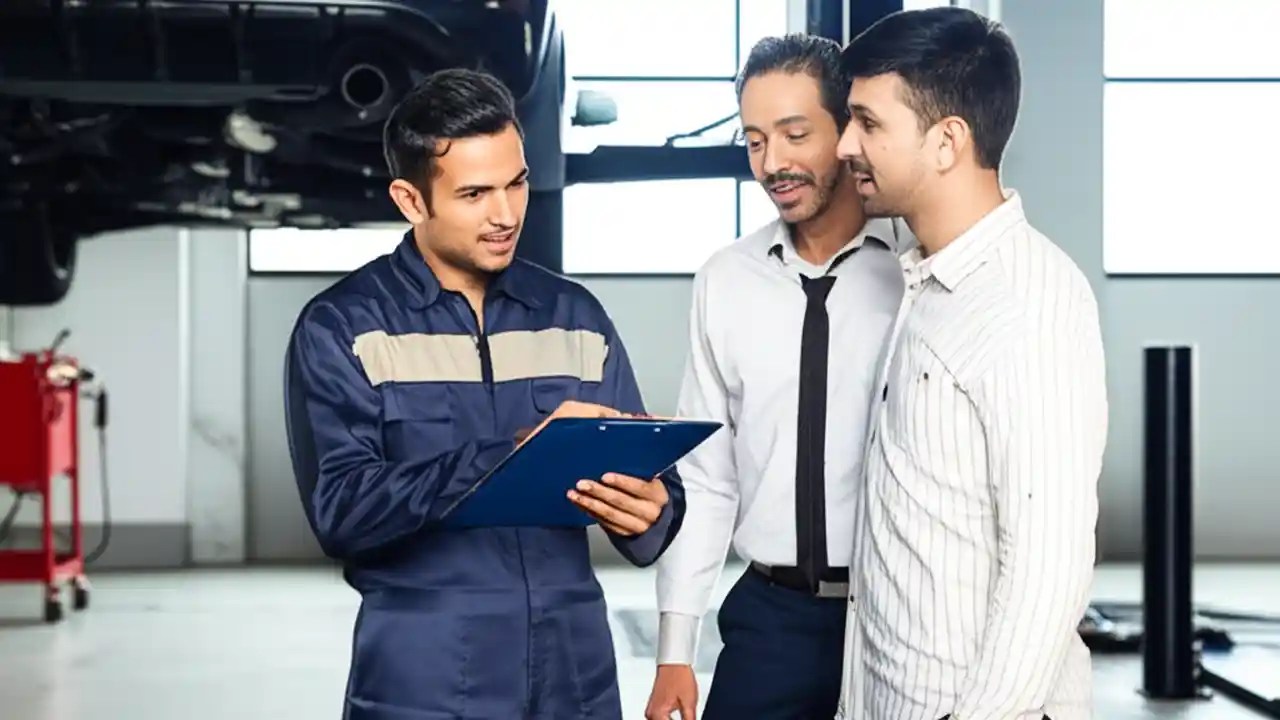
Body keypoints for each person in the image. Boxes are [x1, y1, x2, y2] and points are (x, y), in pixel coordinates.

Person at [282, 68, 687, 720]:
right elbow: (342, 509)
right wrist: (505, 456)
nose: (505, 214)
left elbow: (653, 492)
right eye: (474, 194)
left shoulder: (574, 313)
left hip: (574, 665)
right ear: (412, 201)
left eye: (517, 183)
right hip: (426, 668)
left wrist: (653, 509)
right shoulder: (344, 327)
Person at [833, 8, 1108, 720]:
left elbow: (1046, 566)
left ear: (947, 140)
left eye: (868, 122)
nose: (842, 146)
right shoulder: (925, 281)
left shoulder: (1027, 300)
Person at [644, 34, 911, 720]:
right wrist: (677, 647)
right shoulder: (726, 280)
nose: (773, 163)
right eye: (755, 139)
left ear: (849, 131)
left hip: (901, 616)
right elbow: (706, 474)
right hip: (771, 623)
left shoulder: (916, 274)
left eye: (795, 134)